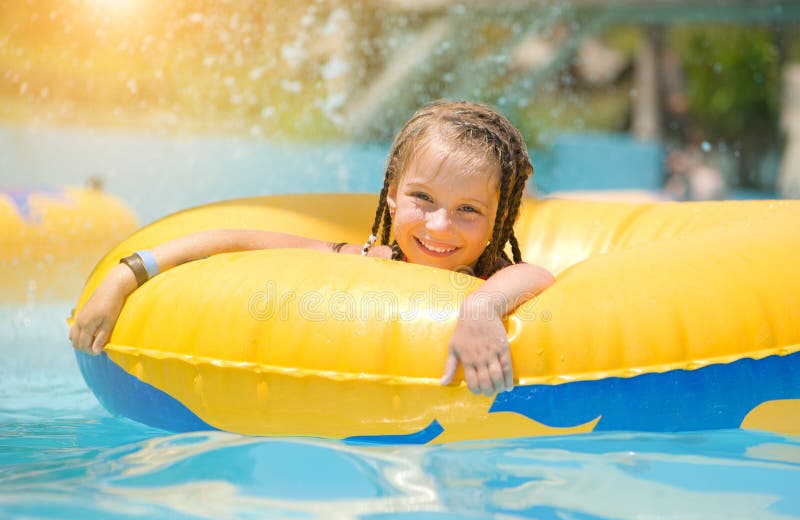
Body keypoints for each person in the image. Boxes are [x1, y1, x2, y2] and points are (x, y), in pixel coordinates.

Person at [70, 101, 555, 397]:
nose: (439, 225)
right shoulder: (370, 263)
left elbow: (537, 277)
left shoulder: (491, 278)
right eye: (422, 198)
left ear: (500, 221)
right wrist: (126, 274)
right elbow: (233, 240)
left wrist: (481, 308)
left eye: (468, 209)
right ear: (391, 198)